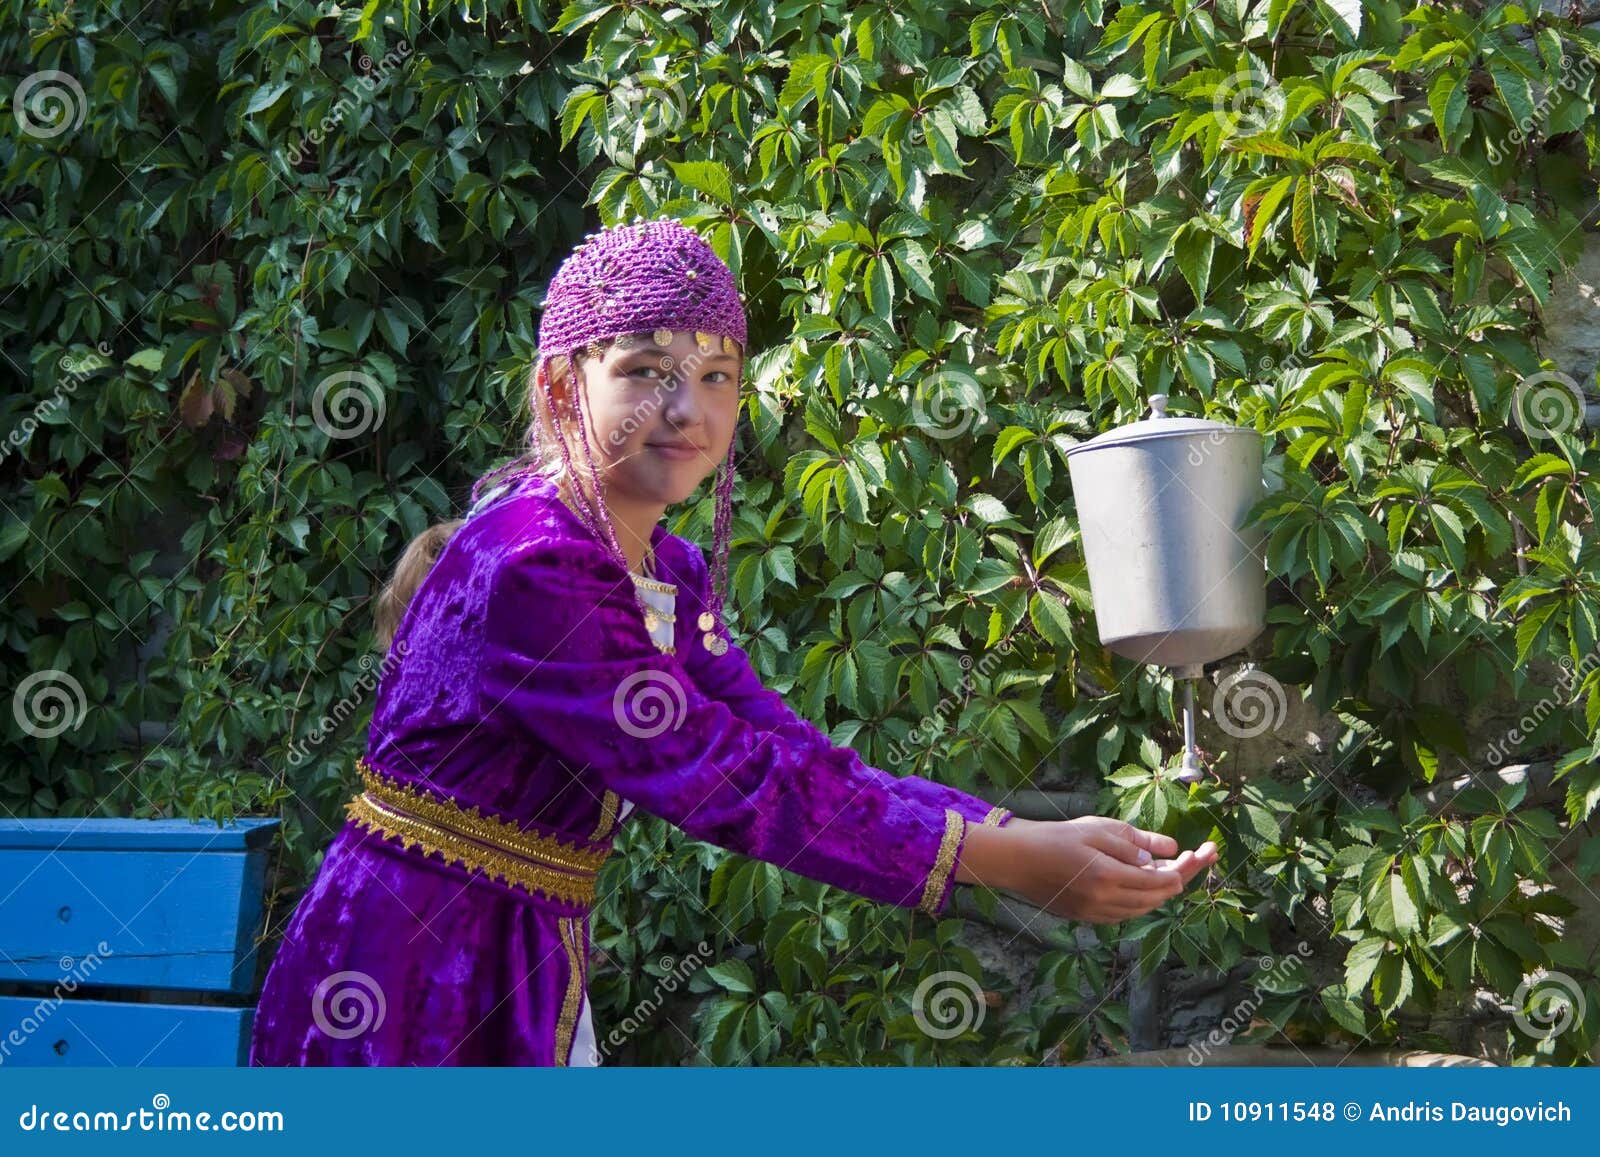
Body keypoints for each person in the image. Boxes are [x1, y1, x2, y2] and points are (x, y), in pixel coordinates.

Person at [248, 217, 1217, 1067]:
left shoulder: (665, 567)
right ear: (560, 385)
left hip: (524, 948)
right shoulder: (535, 563)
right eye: (644, 372)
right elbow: (727, 778)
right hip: (408, 966)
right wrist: (1004, 859)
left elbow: (781, 745)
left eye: (715, 377)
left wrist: (1008, 830)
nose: (687, 411)